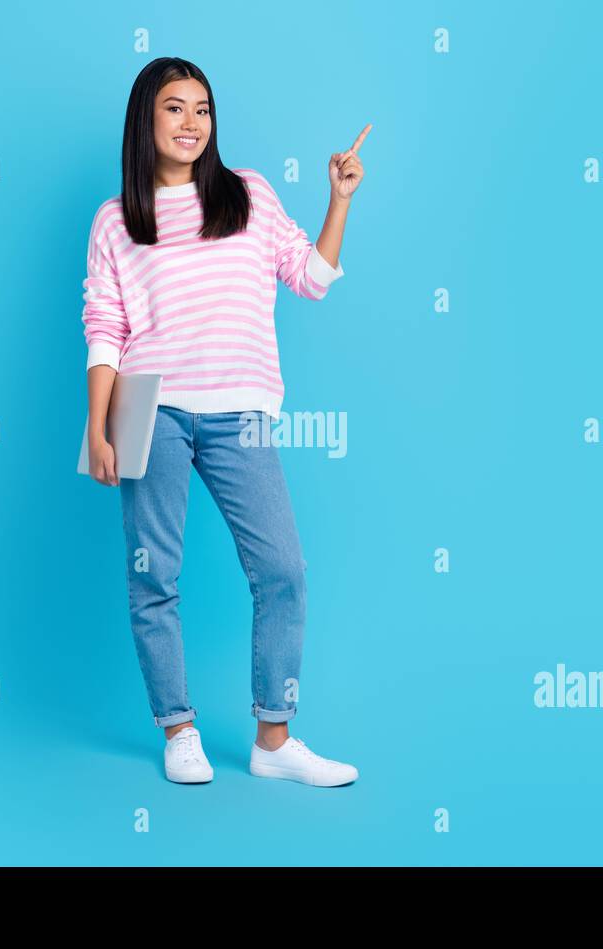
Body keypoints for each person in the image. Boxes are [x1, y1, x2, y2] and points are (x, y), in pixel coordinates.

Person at [80, 56, 368, 786]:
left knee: (282, 571)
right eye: (174, 108)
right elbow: (105, 326)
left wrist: (338, 201)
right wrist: (96, 424)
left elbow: (312, 278)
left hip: (239, 409)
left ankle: (274, 741)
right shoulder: (118, 218)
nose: (191, 123)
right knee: (154, 576)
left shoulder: (249, 195)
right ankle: (178, 729)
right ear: (146, 119)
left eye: (202, 109)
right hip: (149, 407)